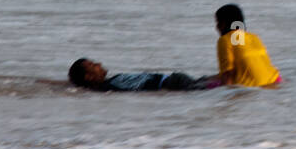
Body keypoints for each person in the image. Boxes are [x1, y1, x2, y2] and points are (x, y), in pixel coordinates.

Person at [214, 4, 282, 87]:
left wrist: (226, 96)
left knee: (197, 86)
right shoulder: (254, 37)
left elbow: (228, 73)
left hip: (251, 86)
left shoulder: (224, 40)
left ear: (223, 24)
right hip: (274, 80)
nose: (216, 27)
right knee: (207, 80)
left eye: (217, 22)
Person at [68, 58, 219, 92]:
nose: (99, 64)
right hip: (172, 84)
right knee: (214, 87)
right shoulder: (107, 88)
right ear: (88, 77)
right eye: (93, 65)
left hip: (173, 79)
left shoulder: (112, 81)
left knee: (213, 82)